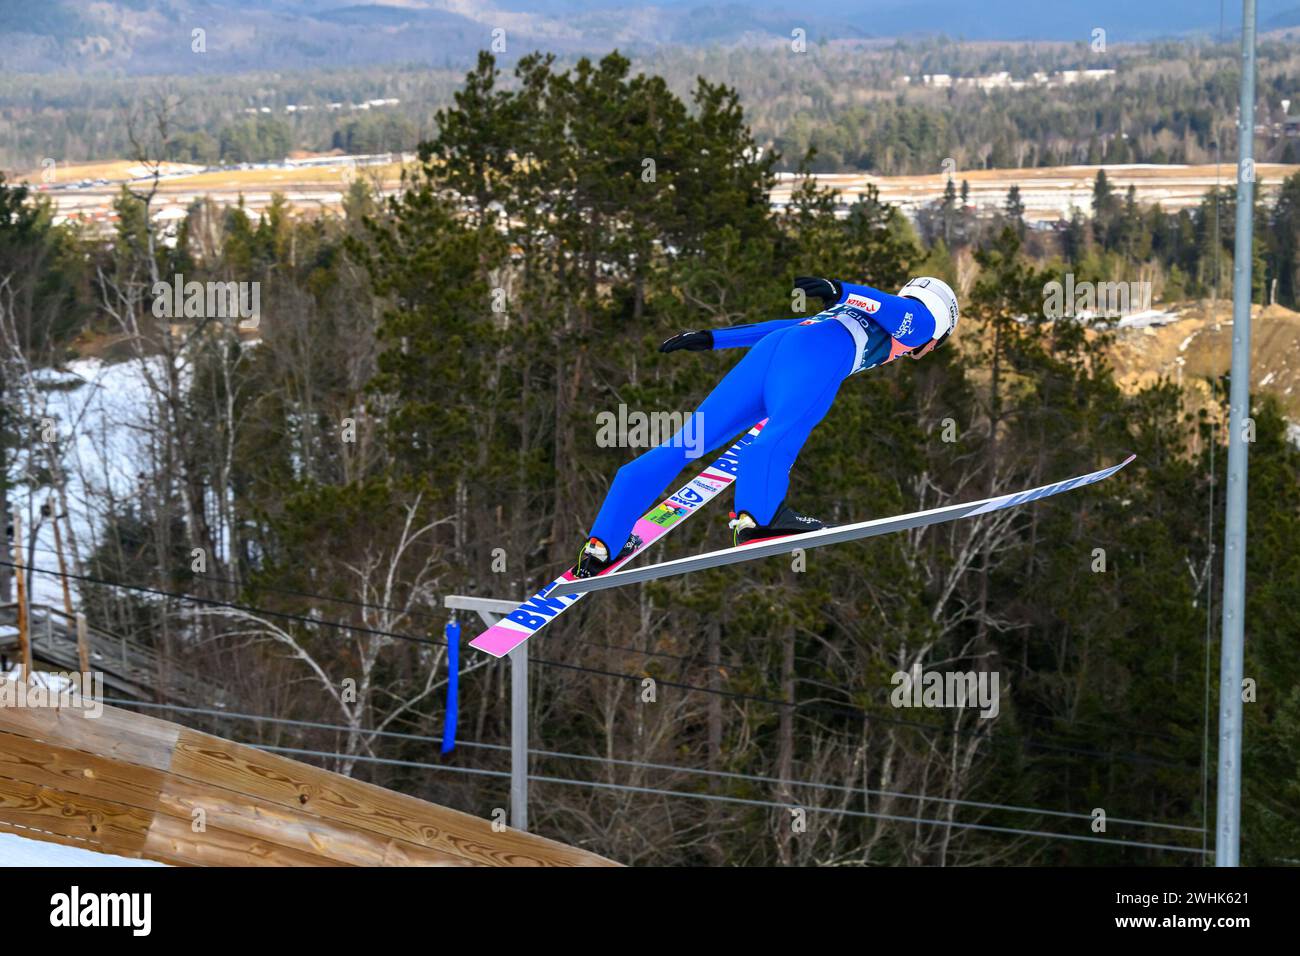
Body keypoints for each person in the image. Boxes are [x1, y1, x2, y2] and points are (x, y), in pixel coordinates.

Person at [575, 275, 960, 576]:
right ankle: (759, 518)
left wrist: (711, 339)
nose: (924, 351)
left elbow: (779, 326)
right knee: (783, 432)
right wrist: (839, 289)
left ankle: (603, 542)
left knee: (685, 443)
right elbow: (891, 308)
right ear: (939, 331)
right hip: (816, 357)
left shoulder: (862, 316)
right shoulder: (922, 322)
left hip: (774, 350)